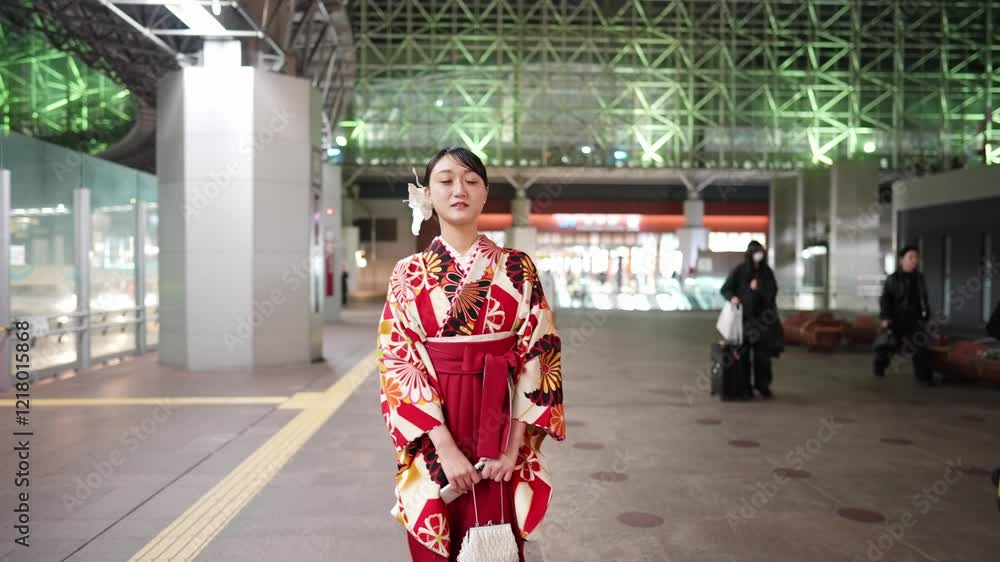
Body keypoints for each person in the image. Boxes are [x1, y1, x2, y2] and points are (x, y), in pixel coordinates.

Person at [376, 147, 566, 561]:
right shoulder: (409, 272)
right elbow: (397, 359)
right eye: (445, 180)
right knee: (438, 534)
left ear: (484, 195)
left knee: (496, 539)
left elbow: (541, 353)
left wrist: (512, 448)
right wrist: (443, 447)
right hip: (435, 425)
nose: (458, 189)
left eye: (471, 180)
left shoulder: (518, 267)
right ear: (428, 194)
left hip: (500, 423)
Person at [720, 240, 780, 398]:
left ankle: (763, 386)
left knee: (762, 357)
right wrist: (733, 297)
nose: (758, 256)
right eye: (755, 253)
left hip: (763, 322)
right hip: (743, 320)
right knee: (743, 356)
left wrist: (759, 288)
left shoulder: (767, 273)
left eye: (760, 252)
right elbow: (726, 289)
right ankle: (744, 387)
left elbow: (772, 294)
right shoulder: (740, 271)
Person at [875, 245, 934, 385]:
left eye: (916, 257)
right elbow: (885, 300)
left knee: (921, 346)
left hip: (915, 319)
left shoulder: (919, 278)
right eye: (911, 257)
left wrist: (928, 317)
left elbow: (924, 299)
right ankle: (879, 365)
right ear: (902, 260)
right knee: (888, 346)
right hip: (896, 319)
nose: (914, 260)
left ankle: (924, 377)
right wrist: (885, 317)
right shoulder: (893, 279)